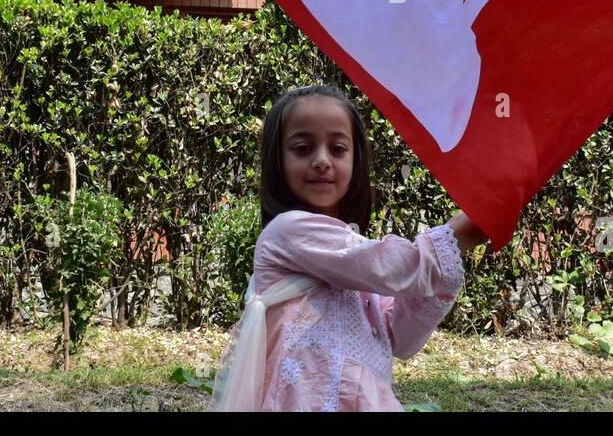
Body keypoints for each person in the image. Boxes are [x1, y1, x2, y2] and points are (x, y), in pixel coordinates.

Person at [208, 84, 489, 411]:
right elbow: (389, 267)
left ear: (356, 161)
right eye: (302, 148)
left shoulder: (353, 257)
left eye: (338, 149)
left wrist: (449, 257)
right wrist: (458, 235)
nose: (321, 161)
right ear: (277, 161)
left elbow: (402, 337)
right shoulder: (287, 232)